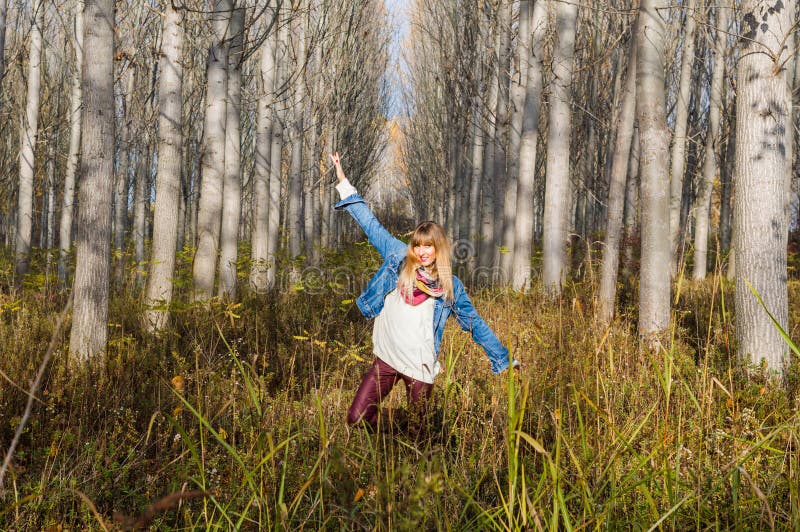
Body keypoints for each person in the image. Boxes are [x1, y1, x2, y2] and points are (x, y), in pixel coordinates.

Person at [330, 152, 517, 436]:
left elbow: (474, 323)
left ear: (438, 248)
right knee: (357, 417)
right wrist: (344, 182)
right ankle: (391, 441)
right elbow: (371, 225)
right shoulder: (397, 257)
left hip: (421, 365)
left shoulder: (449, 287)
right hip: (388, 358)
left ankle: (412, 463)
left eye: (428, 246)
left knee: (420, 435)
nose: (422, 251)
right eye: (418, 245)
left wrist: (502, 359)